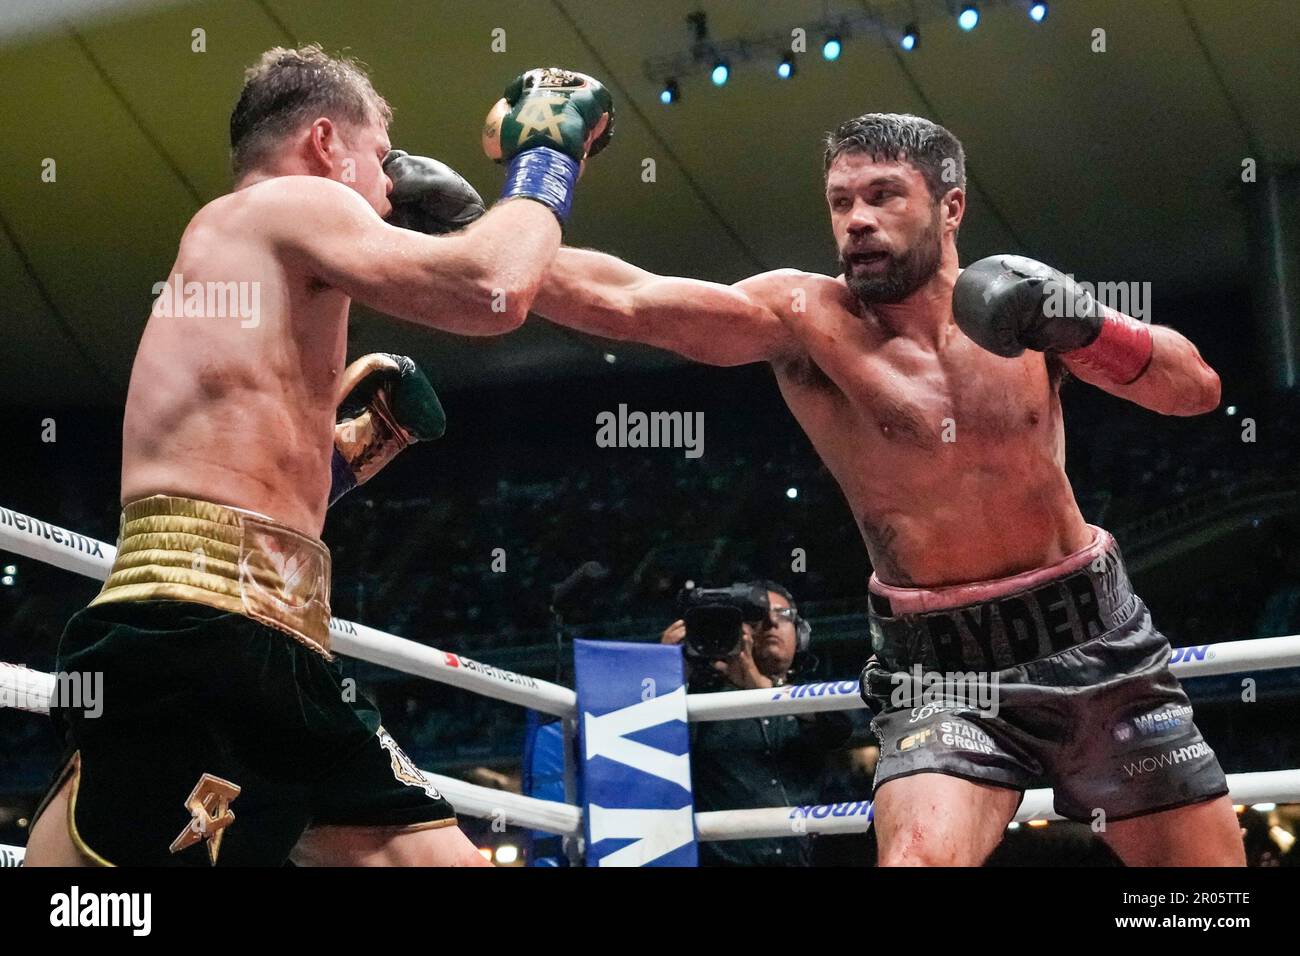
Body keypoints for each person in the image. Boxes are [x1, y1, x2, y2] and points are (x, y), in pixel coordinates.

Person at [531, 112, 1244, 866]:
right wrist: (491, 225)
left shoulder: (1023, 314)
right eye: (841, 203)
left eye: (883, 196)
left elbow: (1193, 390)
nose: (858, 221)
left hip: (1096, 642)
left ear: (951, 206)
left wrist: (1083, 323)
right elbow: (629, 300)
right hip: (940, 669)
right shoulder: (807, 318)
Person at [23, 46, 613, 866]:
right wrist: (546, 154)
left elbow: (213, 474)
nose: (390, 187)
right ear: (325, 143)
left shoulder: (248, 250)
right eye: (379, 160)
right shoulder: (287, 202)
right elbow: (493, 290)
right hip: (208, 637)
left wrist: (331, 464)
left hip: (247, 635)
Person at [662, 581, 850, 866]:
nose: (772, 622)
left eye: (783, 615)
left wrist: (757, 684)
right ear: (741, 631)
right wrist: (663, 668)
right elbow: (655, 749)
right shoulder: (701, 700)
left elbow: (838, 729)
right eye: (760, 617)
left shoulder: (812, 696)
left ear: (801, 634)